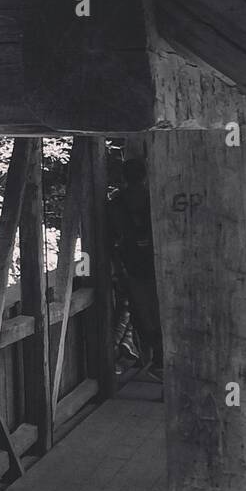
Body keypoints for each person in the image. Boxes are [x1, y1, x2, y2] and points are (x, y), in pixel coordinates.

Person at [107, 158, 163, 380]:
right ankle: (159, 362)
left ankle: (153, 359)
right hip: (159, 266)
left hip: (132, 269)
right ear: (145, 176)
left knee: (142, 316)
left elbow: (110, 240)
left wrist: (117, 269)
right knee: (160, 315)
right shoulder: (155, 199)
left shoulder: (116, 204)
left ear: (124, 178)